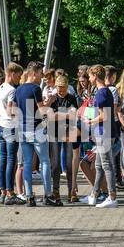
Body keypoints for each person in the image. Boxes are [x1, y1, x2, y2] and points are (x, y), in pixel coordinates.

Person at [13, 66, 51, 206]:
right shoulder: (36, 88)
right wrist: (49, 102)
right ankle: (48, 195)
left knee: (27, 163)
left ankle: (29, 196)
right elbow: (41, 110)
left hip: (23, 129)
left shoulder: (18, 89)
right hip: (36, 129)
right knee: (45, 161)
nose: (42, 76)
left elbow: (14, 110)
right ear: (33, 73)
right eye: (40, 73)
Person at [85, 65, 118, 208]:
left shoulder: (101, 93)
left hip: (104, 132)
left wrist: (90, 121)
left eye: (90, 76)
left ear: (94, 76)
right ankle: (94, 195)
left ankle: (112, 197)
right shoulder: (105, 91)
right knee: (99, 166)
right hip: (104, 132)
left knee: (106, 165)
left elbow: (104, 115)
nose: (89, 79)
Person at [44, 73, 76, 205]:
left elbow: (74, 115)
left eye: (63, 88)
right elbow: (51, 116)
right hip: (54, 133)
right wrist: (66, 114)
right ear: (55, 87)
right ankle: (55, 190)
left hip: (69, 132)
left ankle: (71, 191)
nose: (61, 91)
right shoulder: (52, 98)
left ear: (67, 87)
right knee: (55, 163)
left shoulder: (72, 98)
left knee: (69, 164)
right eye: (58, 88)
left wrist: (58, 114)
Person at [0, 63, 21, 205]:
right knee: (11, 159)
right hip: (10, 126)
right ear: (12, 73)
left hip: (0, 125)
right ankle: (10, 192)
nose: (19, 79)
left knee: (2, 159)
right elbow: (11, 111)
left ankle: (2, 191)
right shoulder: (12, 90)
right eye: (18, 76)